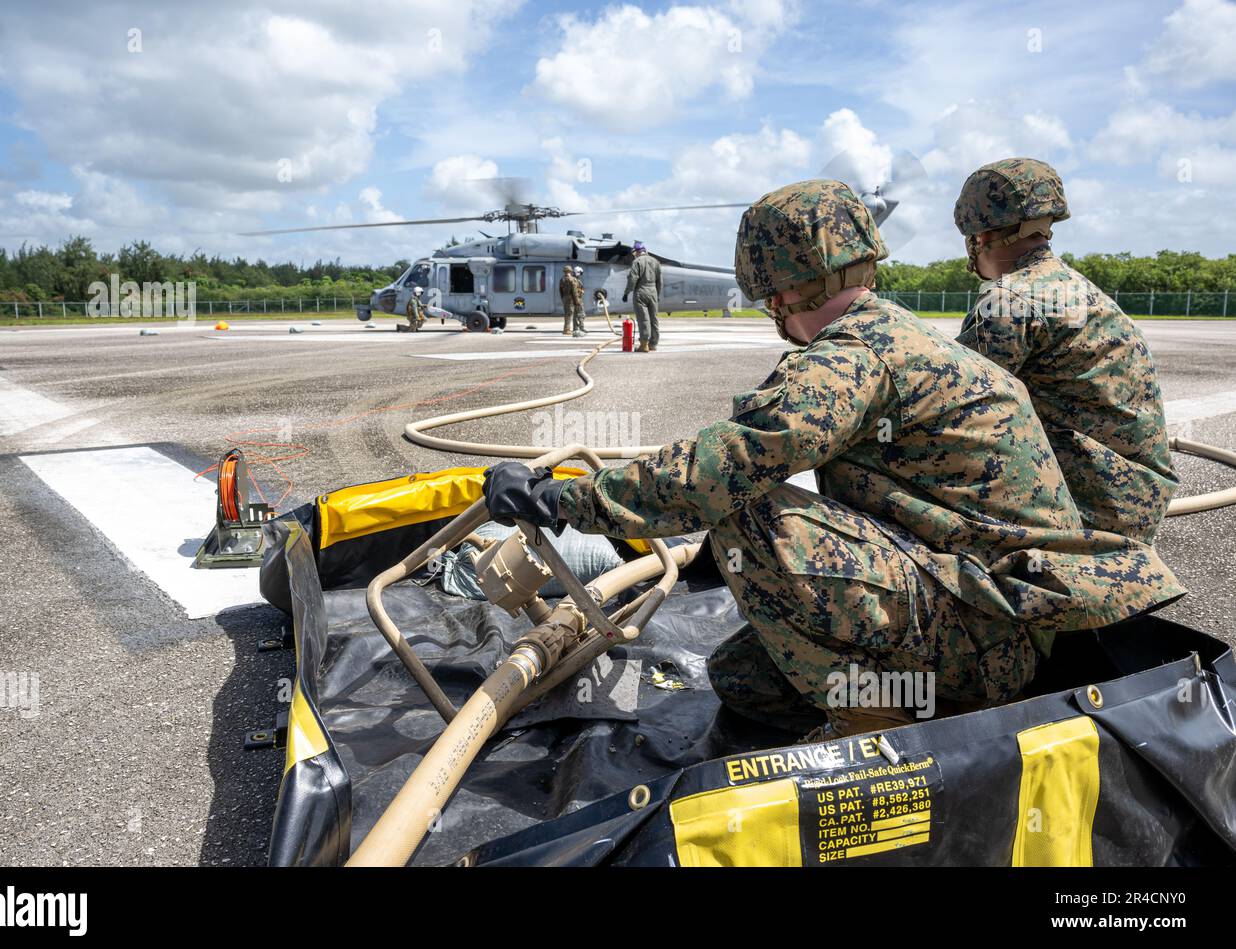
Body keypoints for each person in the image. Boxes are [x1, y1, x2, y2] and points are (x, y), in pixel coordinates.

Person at [482, 179, 1183, 738]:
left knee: (747, 508)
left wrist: (557, 498)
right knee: (745, 681)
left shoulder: (853, 356)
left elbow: (716, 470)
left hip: (985, 632)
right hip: (998, 619)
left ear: (782, 289)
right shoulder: (892, 334)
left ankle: (881, 730)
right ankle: (923, 708)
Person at [954, 158, 1177, 542]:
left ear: (982, 236)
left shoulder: (1009, 298)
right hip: (1134, 503)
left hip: (1089, 514)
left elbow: (951, 400)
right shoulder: (1080, 289)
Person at [622, 241, 662, 352]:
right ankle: (653, 344)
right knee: (654, 319)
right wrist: (656, 295)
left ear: (637, 252)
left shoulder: (637, 262)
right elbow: (660, 281)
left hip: (641, 291)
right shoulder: (655, 261)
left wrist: (626, 292)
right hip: (653, 291)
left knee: (643, 319)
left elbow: (632, 279)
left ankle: (644, 344)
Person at [559, 266, 581, 336]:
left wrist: (563, 298)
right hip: (570, 298)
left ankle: (566, 328)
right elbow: (574, 291)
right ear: (571, 271)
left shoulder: (562, 279)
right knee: (569, 314)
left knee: (566, 313)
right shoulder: (572, 279)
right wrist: (577, 301)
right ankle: (567, 330)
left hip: (565, 298)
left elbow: (560, 290)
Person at [571, 266, 587, 337]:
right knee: (581, 314)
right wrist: (581, 291)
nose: (580, 274)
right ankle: (581, 328)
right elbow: (575, 290)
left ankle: (576, 328)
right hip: (577, 299)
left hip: (576, 299)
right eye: (580, 273)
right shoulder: (575, 280)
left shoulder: (576, 279)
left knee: (576, 314)